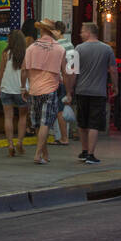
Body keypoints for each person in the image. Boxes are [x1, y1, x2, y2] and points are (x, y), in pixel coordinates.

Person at [21, 18, 73, 165]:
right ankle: (38, 154)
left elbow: (24, 71)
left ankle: (45, 153)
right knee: (45, 123)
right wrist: (69, 92)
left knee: (38, 124)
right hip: (50, 90)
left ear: (41, 31)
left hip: (34, 90)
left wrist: (22, 88)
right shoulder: (59, 49)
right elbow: (66, 72)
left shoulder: (31, 48)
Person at [73, 22, 117, 165]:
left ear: (88, 32)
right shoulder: (107, 49)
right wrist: (115, 86)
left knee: (82, 123)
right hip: (98, 92)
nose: (80, 34)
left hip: (81, 90)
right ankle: (91, 154)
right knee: (94, 124)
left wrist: (70, 89)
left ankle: (84, 150)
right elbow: (113, 70)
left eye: (82, 31)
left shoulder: (78, 48)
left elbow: (73, 71)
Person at [0, 29, 29, 156]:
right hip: (21, 89)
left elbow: (1, 71)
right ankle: (20, 142)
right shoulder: (26, 53)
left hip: (6, 87)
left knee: (8, 117)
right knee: (22, 117)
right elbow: (27, 72)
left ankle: (10, 144)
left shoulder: (6, 53)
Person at [50, 20, 74, 145]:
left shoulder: (57, 46)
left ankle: (64, 137)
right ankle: (63, 136)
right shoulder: (70, 45)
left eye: (53, 30)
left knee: (59, 110)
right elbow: (74, 66)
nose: (52, 33)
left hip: (59, 80)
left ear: (58, 31)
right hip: (68, 80)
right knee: (62, 108)